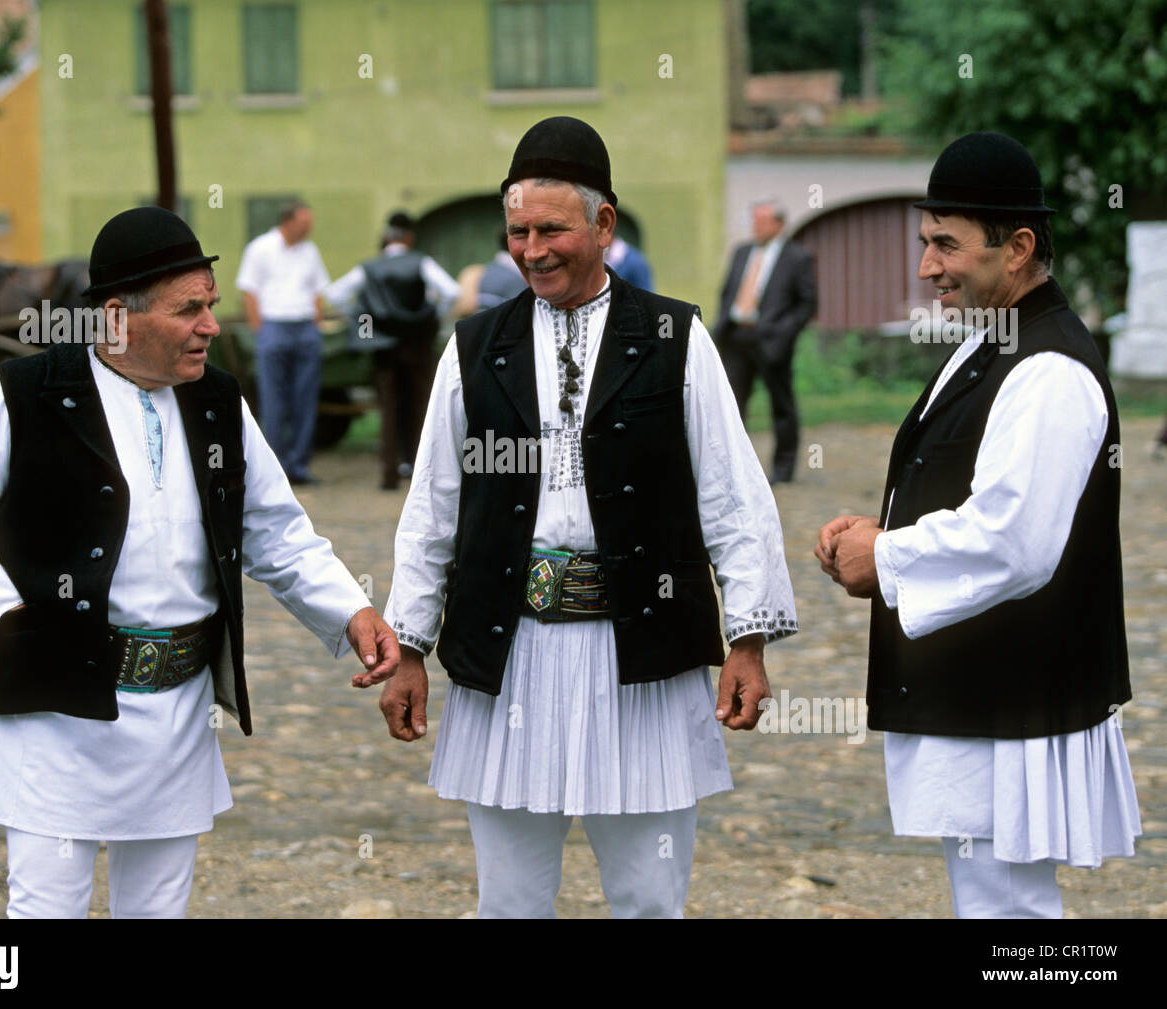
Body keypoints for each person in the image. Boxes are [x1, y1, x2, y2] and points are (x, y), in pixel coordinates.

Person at [0, 206, 399, 918]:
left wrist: (351, 609)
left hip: (177, 718)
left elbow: (278, 533)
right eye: (188, 309)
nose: (210, 326)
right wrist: (6, 619)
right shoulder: (24, 396)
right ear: (116, 317)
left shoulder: (220, 403)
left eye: (211, 306)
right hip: (54, 718)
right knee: (46, 911)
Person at [377, 116, 797, 918]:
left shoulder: (674, 337)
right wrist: (409, 646)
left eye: (552, 230)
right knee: (510, 903)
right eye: (518, 232)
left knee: (646, 898)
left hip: (640, 654)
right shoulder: (474, 348)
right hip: (510, 654)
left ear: (604, 224)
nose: (532, 251)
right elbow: (432, 508)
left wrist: (748, 637)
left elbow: (732, 493)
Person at [815, 132, 1140, 918]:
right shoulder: (990, 343)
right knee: (990, 904)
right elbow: (977, 489)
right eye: (925, 242)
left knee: (1007, 913)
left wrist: (886, 556)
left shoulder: (1050, 366)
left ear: (1018, 245)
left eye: (945, 244)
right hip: (982, 685)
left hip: (1012, 692)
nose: (927, 266)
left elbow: (1015, 540)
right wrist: (883, 525)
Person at [324, 211, 460, 490]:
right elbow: (451, 292)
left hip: (383, 348)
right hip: (417, 346)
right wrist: (432, 317)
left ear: (386, 238)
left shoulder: (368, 268)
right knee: (421, 406)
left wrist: (360, 315)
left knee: (388, 409)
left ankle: (389, 473)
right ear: (409, 237)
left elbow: (334, 294)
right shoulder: (422, 263)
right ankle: (418, 469)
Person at [714, 198, 816, 484]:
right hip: (735, 337)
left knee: (781, 405)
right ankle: (733, 469)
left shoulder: (797, 257)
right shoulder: (741, 251)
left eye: (762, 220)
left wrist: (783, 333)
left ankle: (783, 471)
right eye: (754, 219)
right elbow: (727, 291)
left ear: (779, 224)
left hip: (771, 341)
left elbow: (807, 304)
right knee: (731, 405)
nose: (755, 225)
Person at [236, 198, 329, 485]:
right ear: (288, 221)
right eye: (304, 223)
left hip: (304, 328)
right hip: (273, 326)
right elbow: (249, 291)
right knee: (273, 400)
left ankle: (299, 465)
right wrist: (260, 329)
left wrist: (316, 319)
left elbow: (318, 288)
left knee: (305, 398)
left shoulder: (309, 251)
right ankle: (274, 469)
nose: (309, 228)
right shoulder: (260, 248)